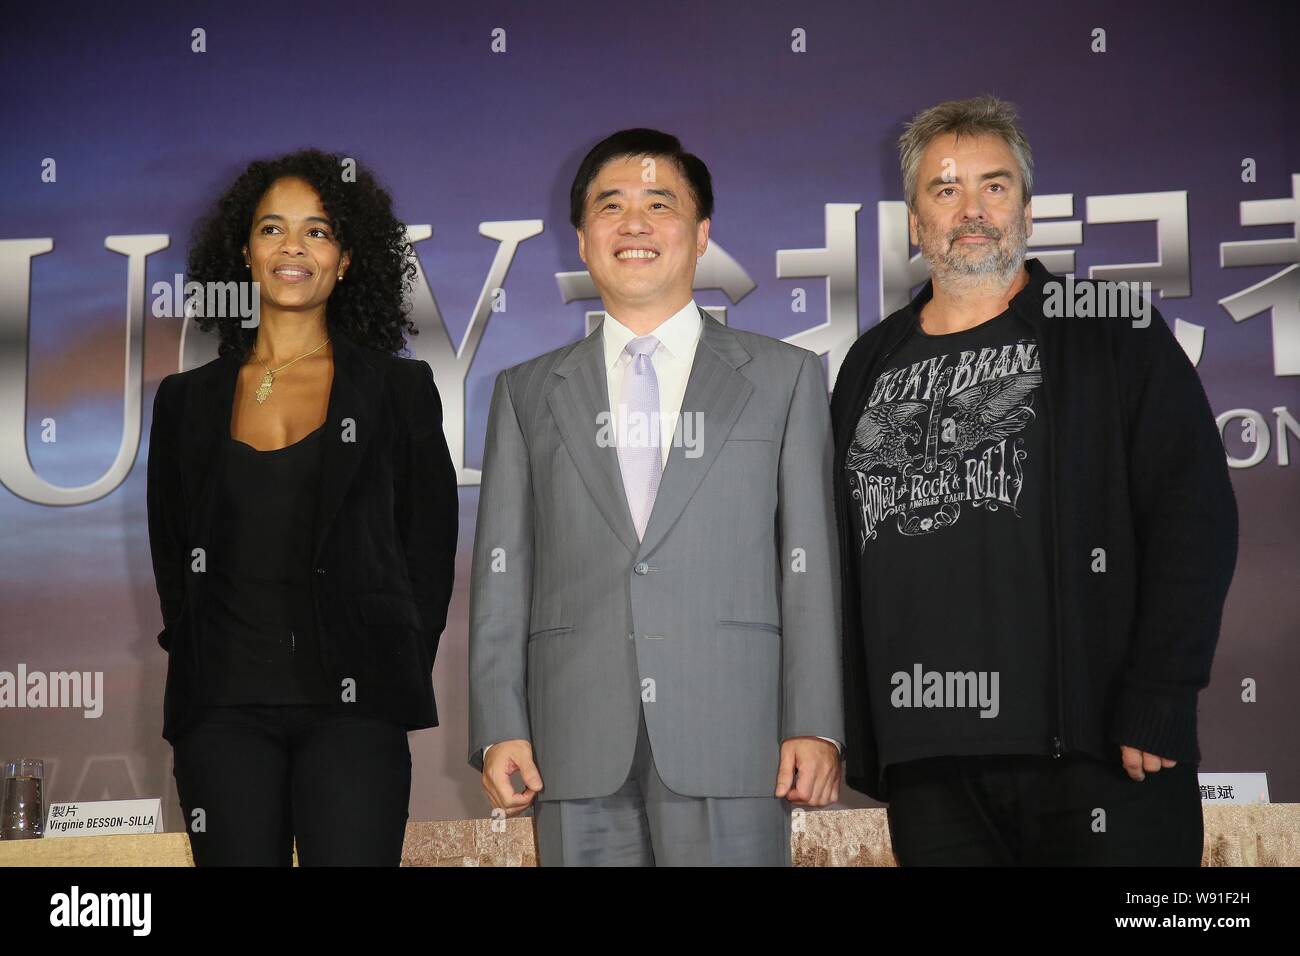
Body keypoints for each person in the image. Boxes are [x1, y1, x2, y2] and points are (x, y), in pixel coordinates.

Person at [831, 96, 1238, 865]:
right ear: (915, 223)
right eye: (945, 190)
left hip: (1097, 749)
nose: (973, 209)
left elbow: (1194, 515)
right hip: (928, 761)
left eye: (995, 186)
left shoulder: (1109, 325)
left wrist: (1161, 694)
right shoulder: (868, 363)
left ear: (1026, 210)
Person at [469, 128, 843, 866]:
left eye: (659, 204)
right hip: (573, 740)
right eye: (611, 206)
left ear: (702, 235)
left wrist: (816, 722)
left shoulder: (785, 379)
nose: (634, 224)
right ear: (582, 239)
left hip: (735, 733)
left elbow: (808, 566)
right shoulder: (526, 392)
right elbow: (503, 575)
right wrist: (497, 724)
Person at [147, 148, 458, 866]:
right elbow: (174, 557)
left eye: (318, 231)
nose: (293, 246)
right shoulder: (185, 401)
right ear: (245, 255)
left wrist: (388, 665)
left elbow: (426, 556)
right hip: (221, 713)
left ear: (347, 259)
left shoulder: (398, 390)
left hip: (355, 713)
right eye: (272, 229)